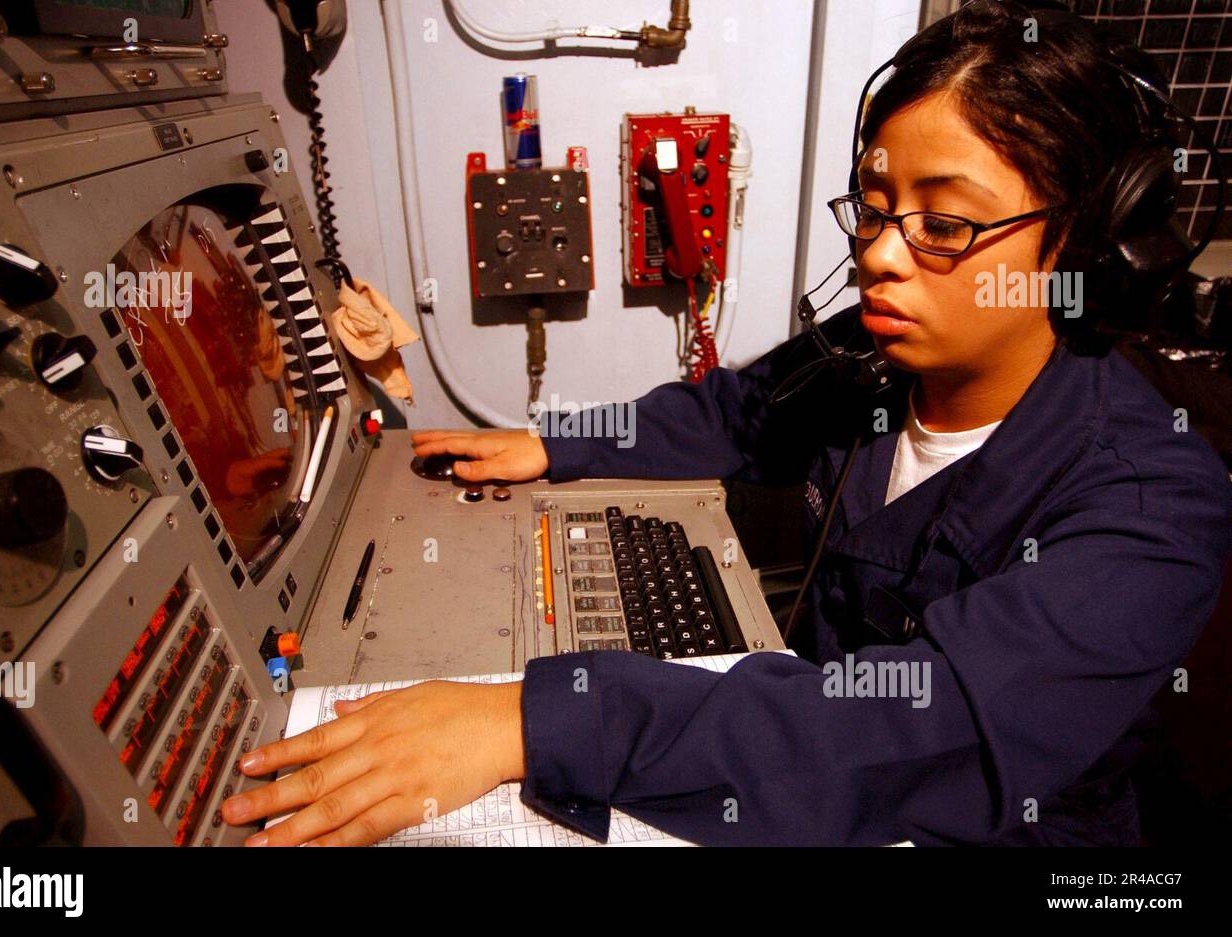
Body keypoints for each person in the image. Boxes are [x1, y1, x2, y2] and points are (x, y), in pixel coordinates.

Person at [220, 1, 1232, 846]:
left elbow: (924, 717)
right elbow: (740, 409)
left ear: (1081, 248)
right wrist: (560, 443)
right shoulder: (872, 356)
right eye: (874, 209)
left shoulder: (1155, 503)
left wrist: (532, 719)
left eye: (943, 224)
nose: (881, 253)